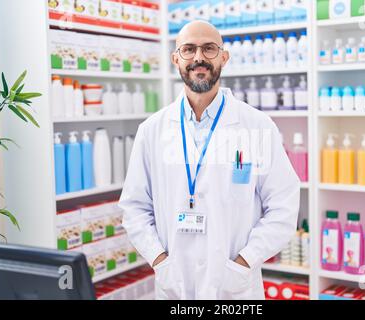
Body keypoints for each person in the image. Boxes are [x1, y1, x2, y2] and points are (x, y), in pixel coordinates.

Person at [119, 20, 300, 300]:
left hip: (234, 289)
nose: (199, 57)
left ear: (224, 57)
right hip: (174, 285)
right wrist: (159, 260)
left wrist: (244, 262)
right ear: (176, 58)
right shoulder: (152, 130)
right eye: (189, 49)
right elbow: (134, 208)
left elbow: (283, 207)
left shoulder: (257, 126)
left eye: (209, 48)